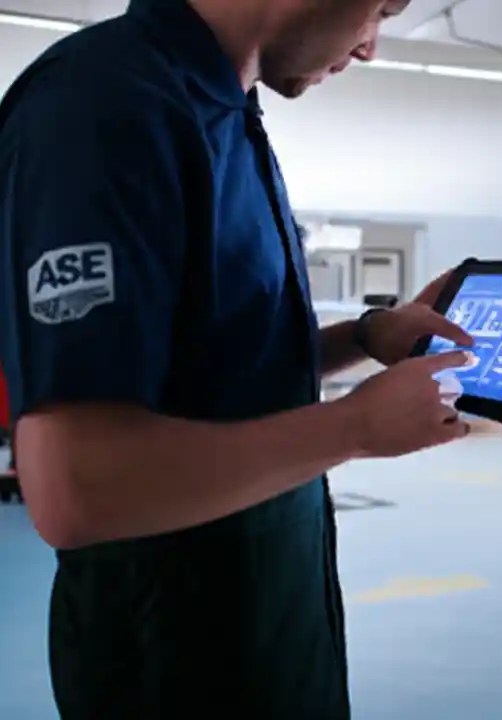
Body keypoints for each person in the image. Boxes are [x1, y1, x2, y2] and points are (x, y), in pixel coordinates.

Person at [0, 0, 473, 717]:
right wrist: (353, 429)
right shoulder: (104, 104)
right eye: (379, 8)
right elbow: (77, 485)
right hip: (174, 668)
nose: (373, 45)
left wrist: (367, 337)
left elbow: (211, 364)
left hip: (269, 644)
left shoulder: (228, 111)